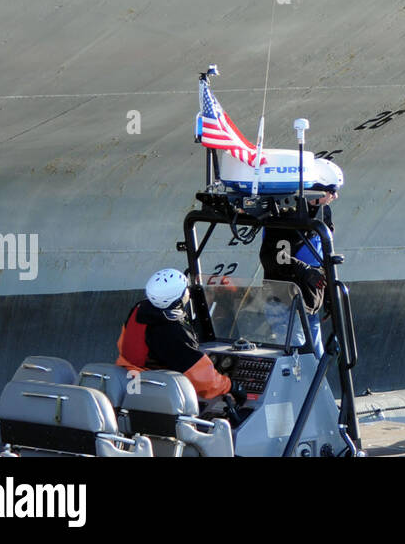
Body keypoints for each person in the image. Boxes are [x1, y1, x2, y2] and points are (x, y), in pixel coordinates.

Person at [116, 268, 244, 408]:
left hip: (131, 380)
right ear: (181, 297)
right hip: (157, 390)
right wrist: (230, 387)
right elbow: (201, 378)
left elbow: (125, 344)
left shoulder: (139, 310)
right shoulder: (172, 329)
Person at [258, 162, 343, 358]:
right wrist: (304, 271)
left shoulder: (322, 213)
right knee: (298, 358)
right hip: (285, 301)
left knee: (315, 357)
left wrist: (329, 295)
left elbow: (322, 256)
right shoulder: (283, 218)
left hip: (310, 299)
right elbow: (272, 258)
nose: (335, 196)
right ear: (316, 191)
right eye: (332, 191)